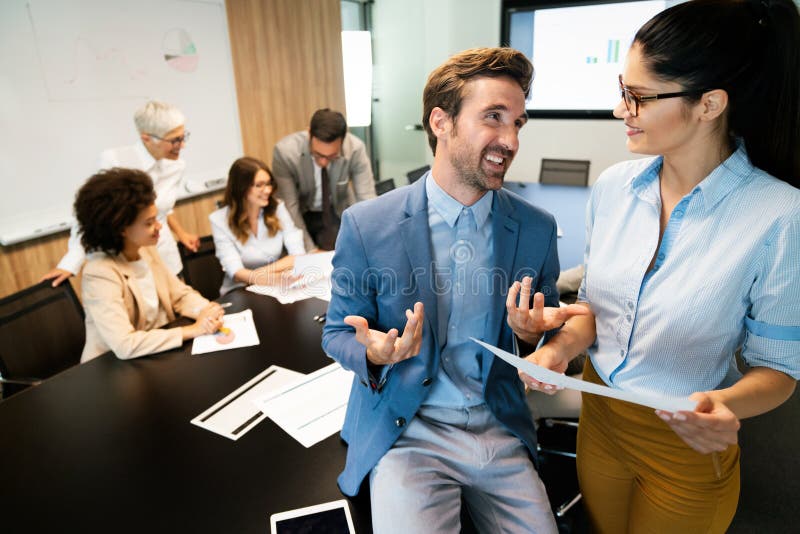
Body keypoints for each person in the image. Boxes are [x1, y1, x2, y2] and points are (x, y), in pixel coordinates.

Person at [518, 1, 800, 532]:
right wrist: (557, 350)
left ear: (710, 104)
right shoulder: (614, 188)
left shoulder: (778, 215)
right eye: (621, 90)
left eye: (638, 97)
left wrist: (725, 404)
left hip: (683, 449)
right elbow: (597, 313)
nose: (620, 110)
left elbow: (778, 372)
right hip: (600, 426)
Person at [322, 47, 587, 533]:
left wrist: (531, 338)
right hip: (408, 434)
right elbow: (338, 332)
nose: (510, 139)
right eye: (493, 118)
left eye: (518, 123)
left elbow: (543, 337)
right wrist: (377, 354)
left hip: (497, 425)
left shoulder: (535, 228)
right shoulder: (367, 225)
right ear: (440, 122)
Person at [41, 100, 200, 286]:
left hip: (165, 258)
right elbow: (87, 214)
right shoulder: (114, 161)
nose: (182, 146)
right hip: (127, 265)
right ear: (146, 138)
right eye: (174, 140)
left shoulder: (176, 166)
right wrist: (71, 262)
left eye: (183, 137)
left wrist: (181, 233)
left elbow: (162, 208)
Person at [77, 168, 225, 363]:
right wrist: (193, 330)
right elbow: (125, 344)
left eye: (156, 218)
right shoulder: (99, 273)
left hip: (157, 356)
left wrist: (206, 312)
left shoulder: (144, 249)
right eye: (149, 223)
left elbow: (179, 295)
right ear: (121, 228)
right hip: (113, 369)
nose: (159, 227)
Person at [272, 108, 376, 251]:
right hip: (302, 213)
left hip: (338, 209)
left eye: (332, 156)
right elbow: (290, 206)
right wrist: (311, 250)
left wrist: (371, 240)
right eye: (318, 154)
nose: (323, 162)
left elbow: (367, 199)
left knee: (348, 252)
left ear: (343, 140)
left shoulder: (355, 149)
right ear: (309, 133)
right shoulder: (285, 153)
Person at [209, 157, 306, 295]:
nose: (267, 190)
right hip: (241, 292)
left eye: (268, 184)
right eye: (259, 185)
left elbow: (298, 255)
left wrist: (262, 273)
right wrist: (275, 278)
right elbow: (237, 273)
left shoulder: (277, 208)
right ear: (241, 188)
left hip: (277, 288)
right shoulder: (219, 220)